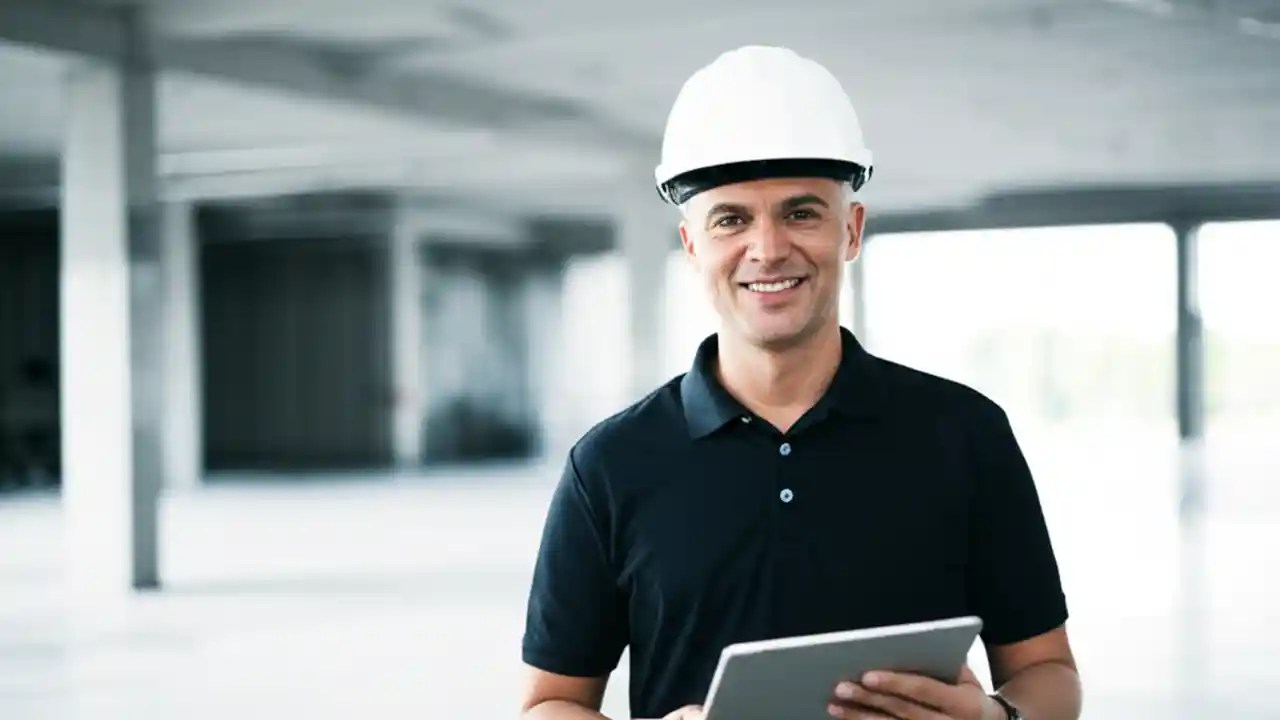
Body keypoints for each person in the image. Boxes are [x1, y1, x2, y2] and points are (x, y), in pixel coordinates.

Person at [520, 46, 1081, 720]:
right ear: (692, 244)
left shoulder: (965, 434)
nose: (767, 249)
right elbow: (549, 703)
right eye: (731, 219)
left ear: (852, 229)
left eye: (801, 213)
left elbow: (1048, 672)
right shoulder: (611, 465)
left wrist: (996, 717)